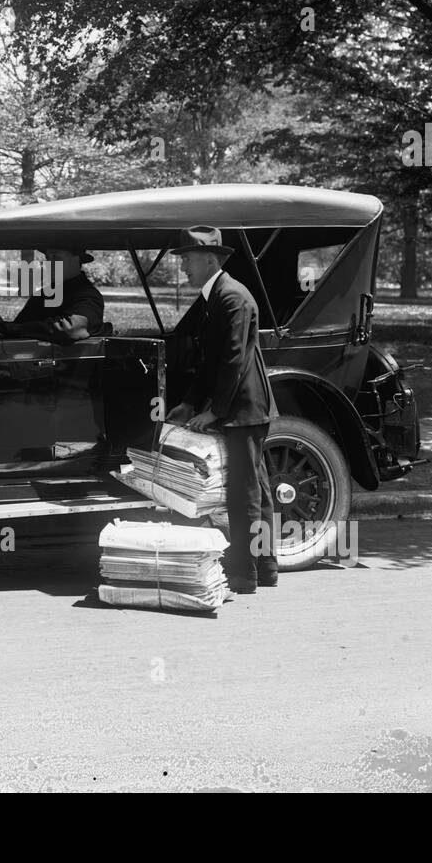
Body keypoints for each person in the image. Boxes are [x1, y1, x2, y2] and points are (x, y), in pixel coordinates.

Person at [165, 226, 279, 594]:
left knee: (244, 493)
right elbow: (211, 362)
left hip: (243, 409)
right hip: (242, 408)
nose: (183, 267)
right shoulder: (218, 295)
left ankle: (244, 574)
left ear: (211, 259)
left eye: (188, 259)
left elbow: (231, 361)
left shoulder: (232, 297)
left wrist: (214, 410)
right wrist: (189, 404)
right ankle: (266, 567)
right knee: (256, 489)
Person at [0, 248, 104, 344]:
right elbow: (20, 325)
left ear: (76, 259)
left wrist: (14, 329)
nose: (49, 263)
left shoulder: (87, 295)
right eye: (48, 258)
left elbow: (70, 329)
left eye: (56, 257)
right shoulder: (43, 295)